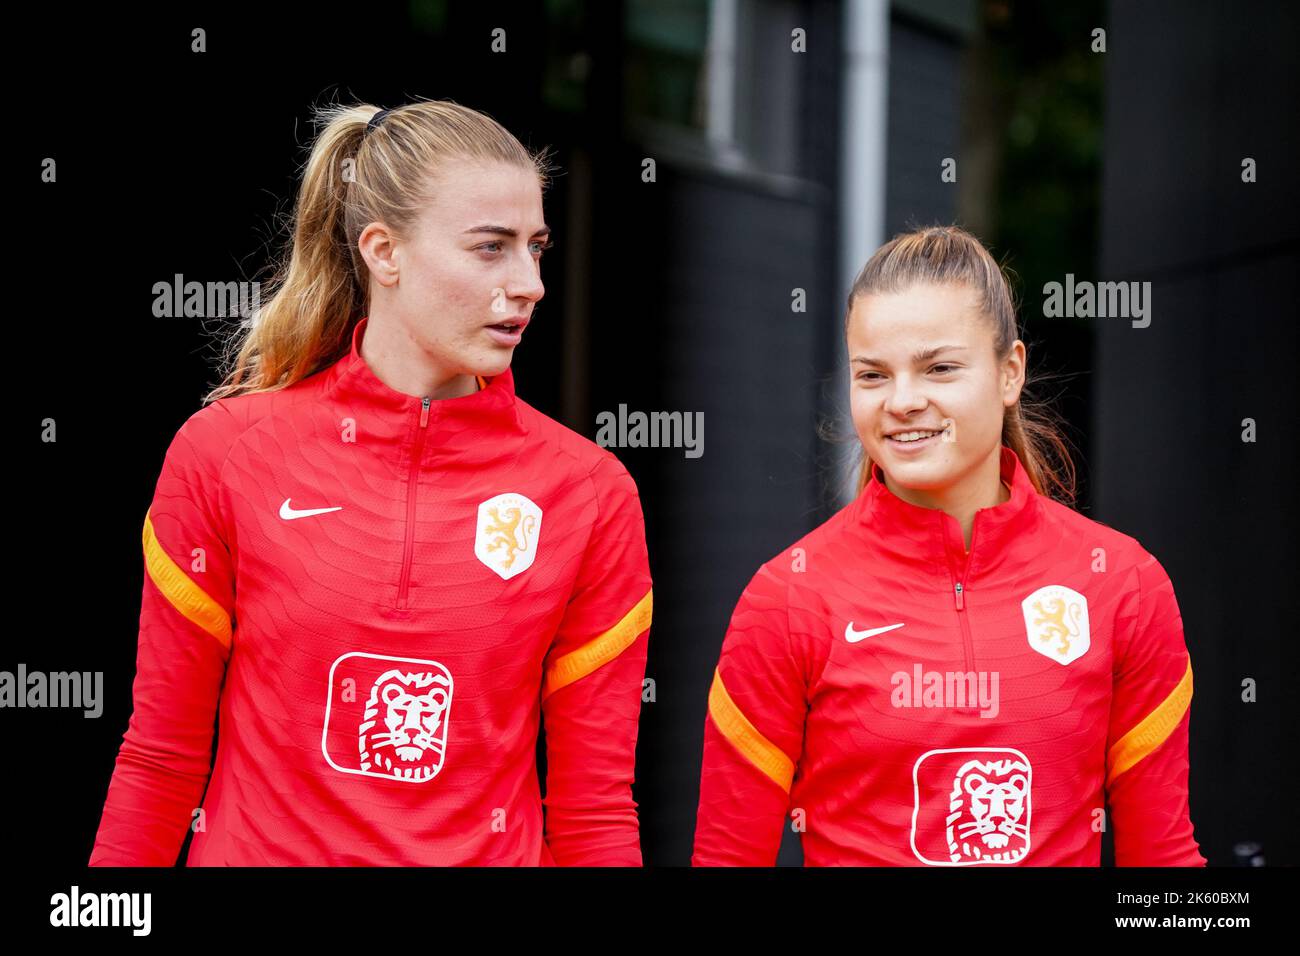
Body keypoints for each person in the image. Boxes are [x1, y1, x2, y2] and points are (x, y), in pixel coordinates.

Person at [89, 99, 653, 866]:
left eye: (536, 248)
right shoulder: (225, 454)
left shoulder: (589, 494)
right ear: (384, 252)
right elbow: (161, 758)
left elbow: (592, 810)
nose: (530, 284)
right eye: (492, 248)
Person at [691, 225, 1204, 866]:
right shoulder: (789, 596)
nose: (903, 401)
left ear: (1010, 371)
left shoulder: (1123, 583)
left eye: (939, 367)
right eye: (872, 375)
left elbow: (1166, 869)